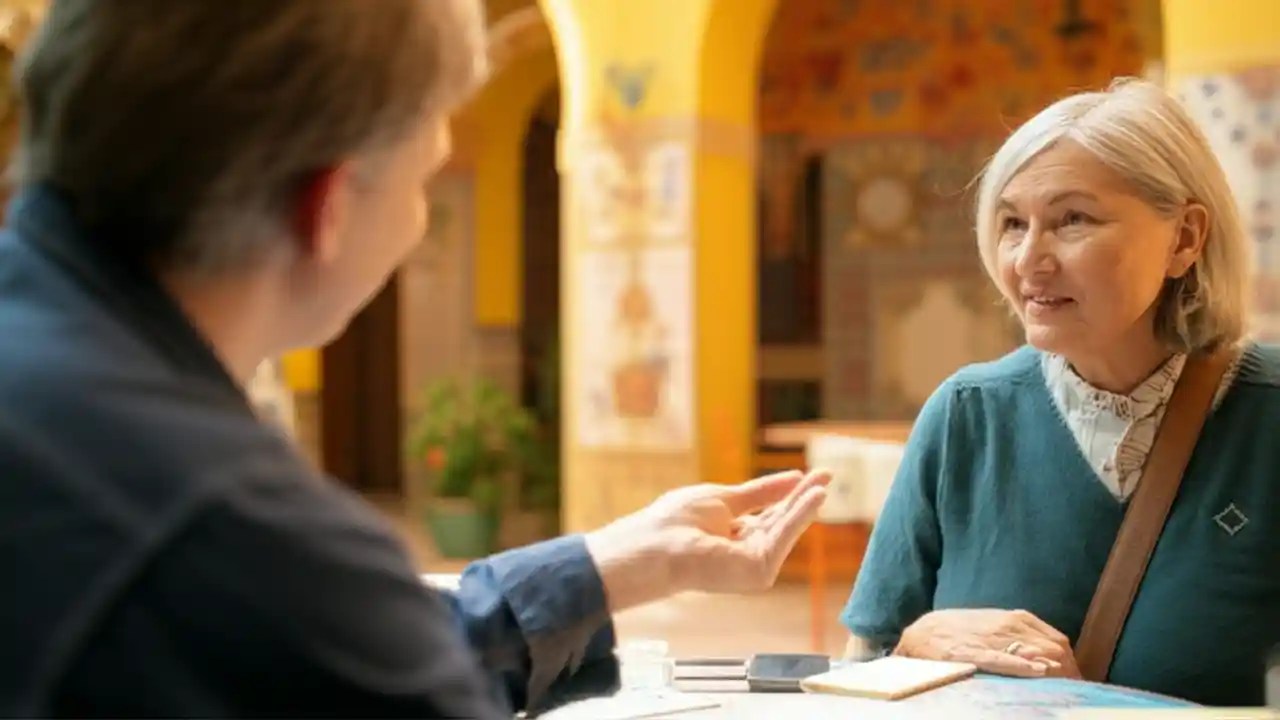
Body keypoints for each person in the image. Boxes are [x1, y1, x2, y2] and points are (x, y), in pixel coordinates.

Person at [0, 1, 830, 717]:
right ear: (326, 206)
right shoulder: (223, 531)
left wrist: (615, 562)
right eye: (423, 177)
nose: (422, 221)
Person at [840, 78, 1280, 707]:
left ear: (1184, 238)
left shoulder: (1268, 417)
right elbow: (859, 674)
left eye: (1073, 219)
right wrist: (916, 641)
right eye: (1013, 223)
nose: (1027, 261)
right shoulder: (968, 415)